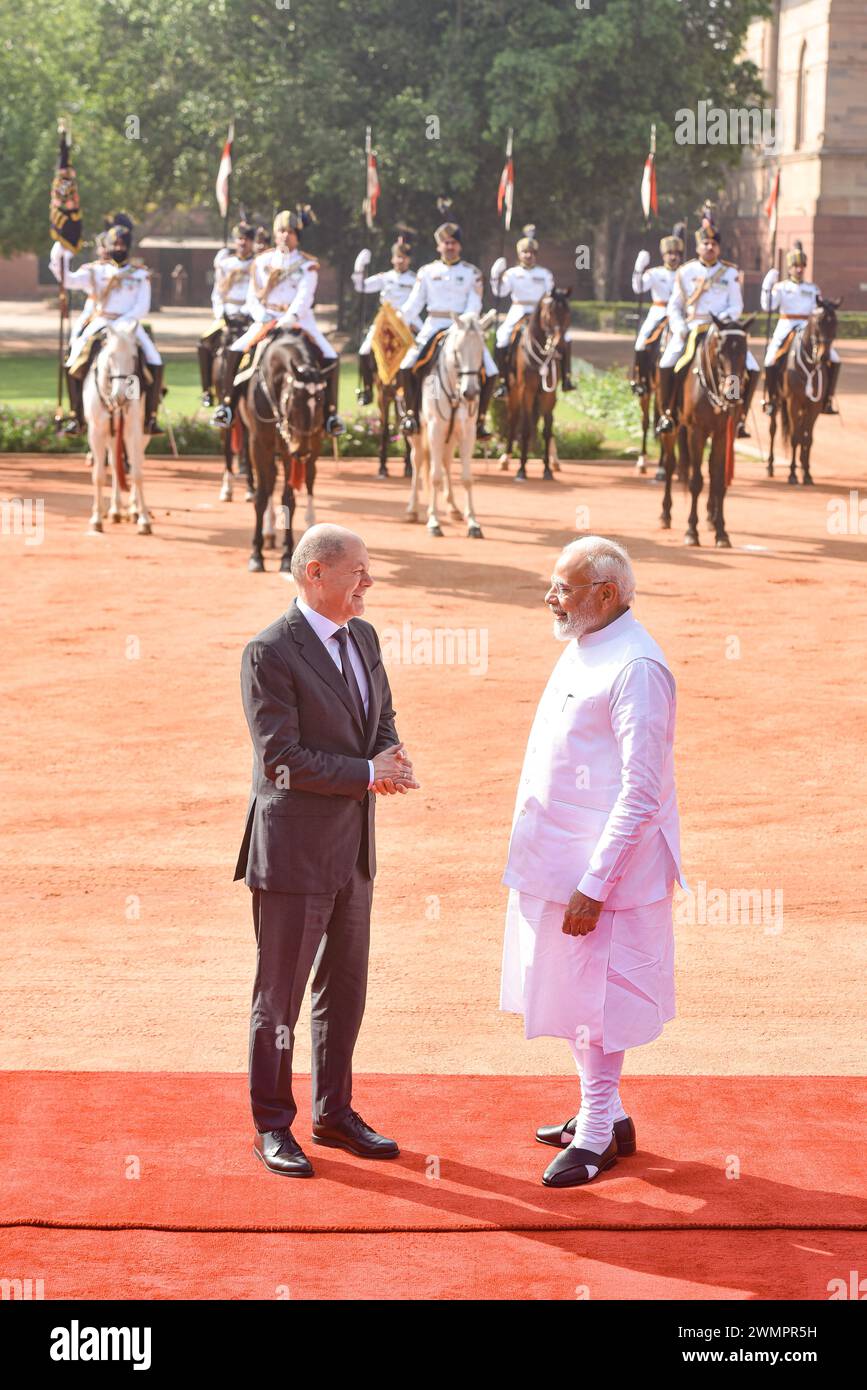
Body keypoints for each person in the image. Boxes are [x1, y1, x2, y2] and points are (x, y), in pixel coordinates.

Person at [500, 536, 686, 1188]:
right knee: (576, 994)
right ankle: (602, 1112)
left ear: (605, 594)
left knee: (599, 1003)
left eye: (563, 586)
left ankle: (599, 1132)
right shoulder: (585, 645)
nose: (550, 596)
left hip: (602, 874)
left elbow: (642, 790)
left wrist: (594, 885)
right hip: (558, 858)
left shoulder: (636, 667)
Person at [235, 525, 420, 1177]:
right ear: (316, 573)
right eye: (359, 573)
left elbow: (382, 717)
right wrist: (370, 775)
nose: (368, 584)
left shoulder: (363, 637)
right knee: (278, 996)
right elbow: (280, 759)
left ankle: (333, 1112)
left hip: (353, 849)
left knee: (344, 989)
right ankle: (271, 1124)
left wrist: (389, 755)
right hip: (291, 853)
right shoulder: (270, 652)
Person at [212, 207, 344, 436]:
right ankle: (227, 406)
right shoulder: (262, 261)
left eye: (290, 232)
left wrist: (289, 318)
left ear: (297, 236)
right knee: (235, 349)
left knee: (330, 355)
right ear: (275, 234)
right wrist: (260, 314)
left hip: (298, 321)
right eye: (281, 231)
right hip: (266, 319)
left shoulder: (306, 265)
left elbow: (304, 298)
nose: (285, 236)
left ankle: (331, 415)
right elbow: (252, 296)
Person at [49, 213, 164, 435]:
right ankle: (77, 416)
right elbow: (67, 279)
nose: (118, 247)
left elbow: (142, 307)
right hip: (101, 322)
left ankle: (149, 417)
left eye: (122, 244)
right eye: (114, 244)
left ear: (128, 246)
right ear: (107, 246)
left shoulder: (140, 275)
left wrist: (121, 325)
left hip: (129, 325)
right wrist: (60, 250)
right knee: (73, 359)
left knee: (154, 360)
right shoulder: (96, 271)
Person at [656, 212, 759, 438]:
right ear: (698, 247)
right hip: (692, 327)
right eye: (706, 243)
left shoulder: (730, 272)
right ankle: (668, 413)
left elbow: (736, 305)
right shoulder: (686, 271)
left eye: (713, 243)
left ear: (719, 248)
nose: (710, 247)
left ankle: (739, 415)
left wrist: (721, 321)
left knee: (751, 367)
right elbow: (674, 306)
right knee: (668, 362)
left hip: (721, 330)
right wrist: (679, 327)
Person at [396, 220, 497, 437]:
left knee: (491, 370)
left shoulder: (472, 273)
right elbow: (415, 302)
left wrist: (464, 322)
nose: (449, 246)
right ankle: (412, 414)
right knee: (407, 365)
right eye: (446, 243)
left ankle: (479, 420)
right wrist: (399, 318)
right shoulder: (427, 272)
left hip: (463, 328)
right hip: (433, 325)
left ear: (459, 246)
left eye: (453, 243)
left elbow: (474, 304)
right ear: (439, 246)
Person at [489, 225, 573, 396]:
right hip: (519, 309)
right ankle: (503, 381)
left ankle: (566, 377)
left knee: (566, 337)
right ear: (519, 254)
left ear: (536, 255)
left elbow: (551, 294)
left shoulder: (544, 274)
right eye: (525, 252)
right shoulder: (512, 273)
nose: (528, 255)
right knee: (502, 337)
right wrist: (495, 277)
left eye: (532, 253)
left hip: (540, 311)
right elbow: (500, 292)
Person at [761, 243, 841, 414]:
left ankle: (827, 399)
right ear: (789, 268)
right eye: (795, 266)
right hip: (786, 324)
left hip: (807, 327)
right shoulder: (781, 287)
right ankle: (771, 398)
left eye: (802, 266)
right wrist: (767, 287)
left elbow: (817, 309)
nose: (799, 269)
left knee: (834, 358)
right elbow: (768, 306)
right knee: (770, 359)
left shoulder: (812, 289)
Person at [351, 235, 418, 404]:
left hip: (409, 319)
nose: (399, 261)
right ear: (392, 259)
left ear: (409, 260)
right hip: (386, 320)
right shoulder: (385, 277)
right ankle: (367, 390)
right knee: (364, 350)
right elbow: (362, 286)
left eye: (403, 257)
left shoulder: (416, 279)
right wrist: (360, 267)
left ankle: (423, 386)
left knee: (426, 347)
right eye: (397, 257)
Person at [198, 221, 255, 407]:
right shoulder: (226, 264)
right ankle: (207, 391)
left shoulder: (258, 264)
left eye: (246, 239)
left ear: (252, 242)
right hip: (227, 314)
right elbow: (218, 293)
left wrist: (247, 312)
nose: (243, 243)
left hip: (250, 315)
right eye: (239, 239)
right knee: (204, 342)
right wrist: (221, 314)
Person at [630, 225, 684, 395]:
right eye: (670, 254)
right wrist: (639, 268)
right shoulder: (655, 273)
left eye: (677, 254)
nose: (673, 257)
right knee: (641, 342)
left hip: (680, 314)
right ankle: (640, 379)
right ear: (664, 255)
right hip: (659, 312)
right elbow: (638, 288)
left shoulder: (686, 273)